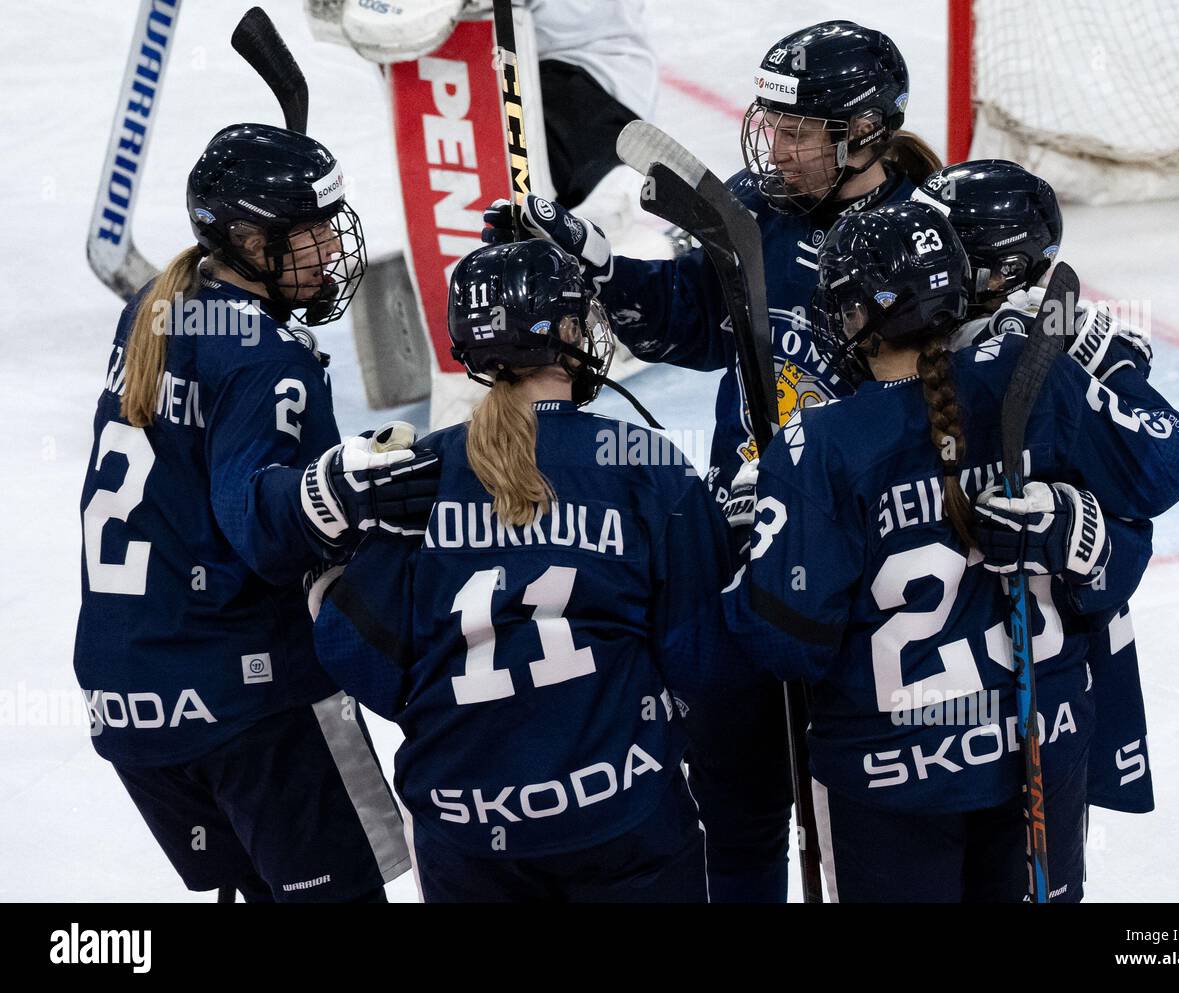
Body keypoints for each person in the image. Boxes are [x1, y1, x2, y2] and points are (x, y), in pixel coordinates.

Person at [483, 18, 945, 902]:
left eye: (802, 130)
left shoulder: (921, 236)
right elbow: (692, 323)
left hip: (871, 579)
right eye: (772, 124)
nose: (777, 147)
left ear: (867, 134)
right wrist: (602, 269)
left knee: (868, 821)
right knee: (736, 812)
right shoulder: (757, 209)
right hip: (744, 553)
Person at [723, 200, 1179, 901]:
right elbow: (1161, 470)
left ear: (854, 317)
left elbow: (786, 643)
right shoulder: (1030, 378)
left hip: (886, 774)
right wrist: (1113, 381)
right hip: (1038, 742)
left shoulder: (818, 444)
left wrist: (747, 540)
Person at [74, 121, 440, 902]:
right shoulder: (267, 359)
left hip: (128, 700)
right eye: (306, 235)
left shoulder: (155, 307)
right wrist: (337, 488)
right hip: (248, 701)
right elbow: (258, 521)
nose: (329, 252)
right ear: (244, 239)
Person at [310, 239, 732, 902]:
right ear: (567, 332)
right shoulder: (642, 463)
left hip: (465, 820)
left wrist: (328, 591)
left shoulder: (413, 473)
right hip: (616, 810)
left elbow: (358, 656)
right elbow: (701, 660)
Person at [920, 158, 1165, 814]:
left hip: (1041, 687)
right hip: (932, 704)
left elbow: (1136, 515)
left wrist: (1080, 532)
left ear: (999, 267)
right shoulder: (911, 353)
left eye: (939, 245)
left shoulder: (1061, 375)